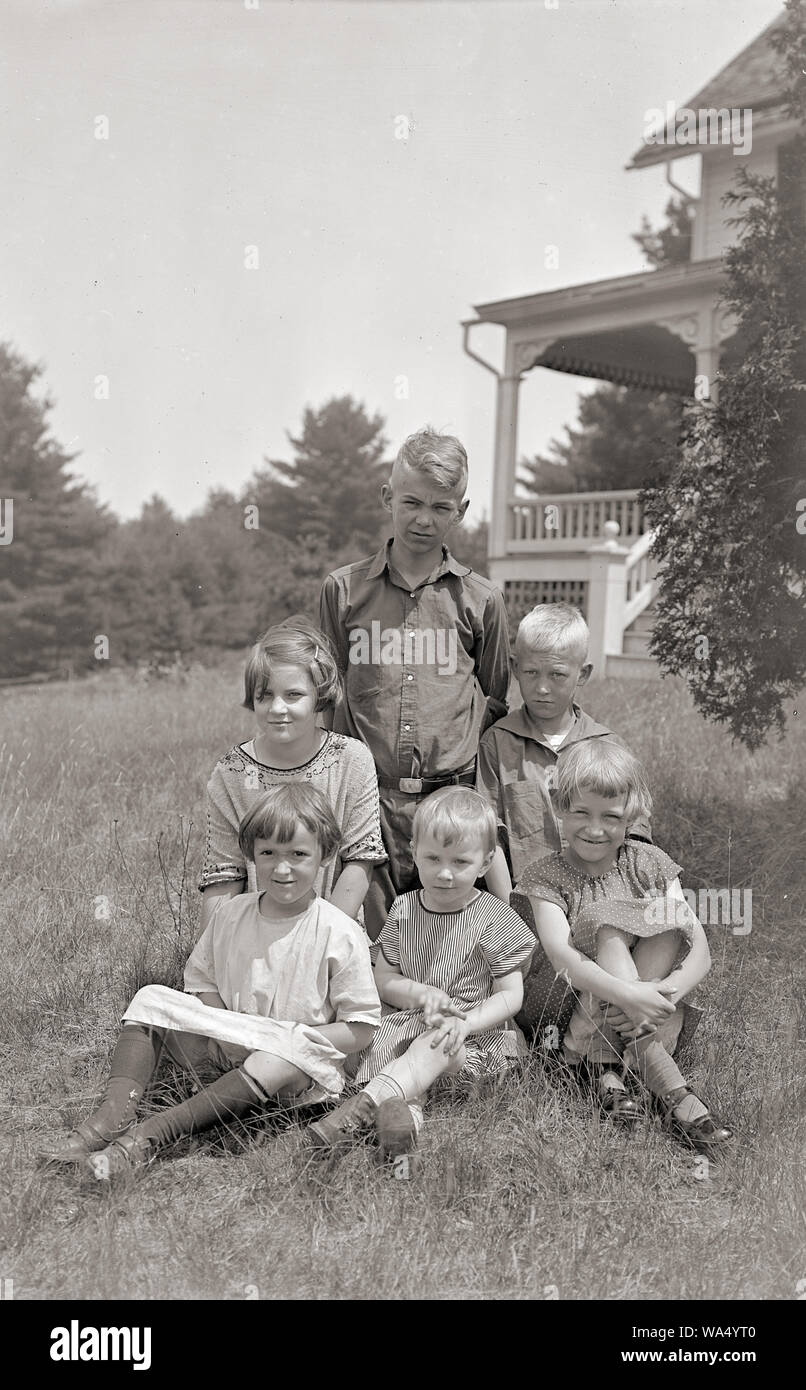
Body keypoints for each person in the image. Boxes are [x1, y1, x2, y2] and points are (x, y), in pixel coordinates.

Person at [42, 785, 381, 1179]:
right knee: (151, 998)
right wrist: (224, 1029)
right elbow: (202, 982)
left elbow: (360, 1029)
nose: (282, 868)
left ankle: (149, 1137)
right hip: (229, 1038)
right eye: (268, 852)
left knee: (279, 1054)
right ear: (250, 854)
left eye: (298, 854)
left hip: (293, 1064)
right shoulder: (232, 913)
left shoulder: (338, 930)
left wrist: (294, 1036)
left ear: (325, 857)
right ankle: (108, 1120)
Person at [318, 427, 511, 940]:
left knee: (450, 950)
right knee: (371, 950)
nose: (424, 519)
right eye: (411, 502)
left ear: (461, 511)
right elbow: (327, 696)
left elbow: (492, 698)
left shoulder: (482, 600)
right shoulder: (343, 591)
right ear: (388, 498)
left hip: (450, 805)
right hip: (367, 801)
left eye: (441, 507)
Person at [518, 739, 733, 1152]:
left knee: (672, 922)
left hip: (648, 1004)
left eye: (610, 817)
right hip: (565, 1000)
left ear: (631, 817)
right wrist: (629, 995)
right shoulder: (545, 876)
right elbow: (564, 958)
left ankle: (603, 1066)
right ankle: (671, 1088)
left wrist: (657, 997)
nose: (594, 829)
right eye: (580, 812)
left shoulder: (648, 863)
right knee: (606, 923)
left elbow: (700, 951)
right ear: (559, 808)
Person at [306, 788, 536, 1163]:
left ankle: (359, 1109)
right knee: (408, 1074)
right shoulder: (404, 909)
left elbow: (511, 995)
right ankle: (400, 1136)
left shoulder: (494, 917)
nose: (445, 873)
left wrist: (467, 1024)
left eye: (460, 861)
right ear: (414, 852)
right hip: (409, 1025)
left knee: (435, 1045)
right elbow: (383, 979)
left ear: (486, 861)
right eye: (433, 858)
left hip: (471, 1039)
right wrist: (419, 993)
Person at [476, 601, 652, 1041]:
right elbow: (491, 838)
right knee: (540, 1008)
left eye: (558, 675)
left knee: (613, 961)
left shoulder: (607, 745)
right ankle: (580, 1048)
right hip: (527, 909)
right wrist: (510, 914)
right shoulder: (499, 742)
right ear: (514, 667)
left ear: (584, 674)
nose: (542, 688)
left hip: (599, 902)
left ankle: (606, 1058)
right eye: (531, 673)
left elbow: (636, 839)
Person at [199, 622, 386, 932]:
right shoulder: (231, 771)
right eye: (265, 695)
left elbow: (360, 861)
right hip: (254, 937)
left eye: (293, 695)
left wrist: (320, 940)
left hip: (333, 931)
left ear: (319, 695)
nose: (277, 708)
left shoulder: (352, 760)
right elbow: (223, 876)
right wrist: (208, 960)